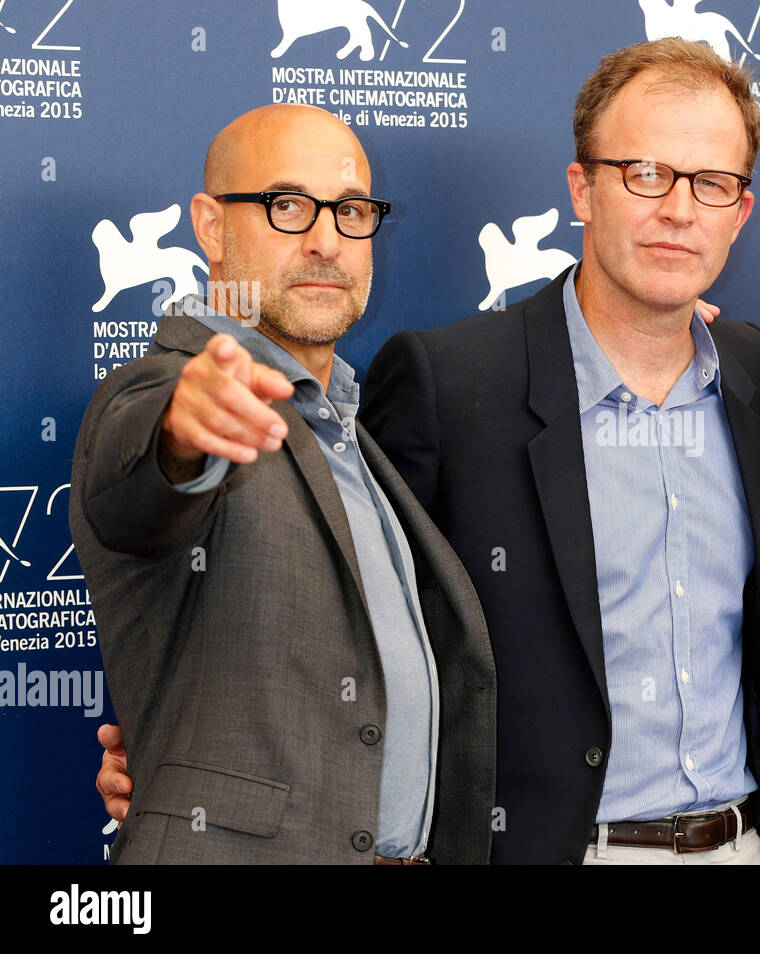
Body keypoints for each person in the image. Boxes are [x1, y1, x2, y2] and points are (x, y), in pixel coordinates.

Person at [360, 38, 760, 865]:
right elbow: (352, 630)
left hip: (743, 844)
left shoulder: (755, 371)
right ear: (583, 189)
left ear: (740, 211)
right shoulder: (447, 383)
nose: (680, 210)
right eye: (646, 172)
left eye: (712, 183)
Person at [72, 104, 496, 864]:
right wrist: (181, 426)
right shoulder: (162, 390)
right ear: (210, 226)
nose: (327, 241)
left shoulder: (346, 431)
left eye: (351, 211)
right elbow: (138, 481)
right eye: (287, 206)